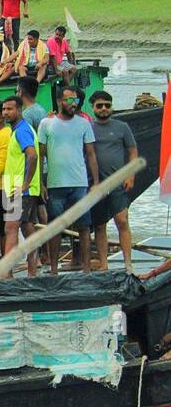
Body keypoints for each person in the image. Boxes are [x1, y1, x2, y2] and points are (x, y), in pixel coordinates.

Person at [38, 88, 99, 275]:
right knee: (55, 227)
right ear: (59, 101)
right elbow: (40, 155)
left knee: (84, 226)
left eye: (76, 100)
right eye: (69, 99)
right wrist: (40, 183)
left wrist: (95, 182)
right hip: (55, 184)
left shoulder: (83, 124)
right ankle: (54, 270)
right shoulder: (46, 124)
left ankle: (87, 269)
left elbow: (90, 154)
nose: (74, 103)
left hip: (79, 183)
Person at [89, 90, 138, 272]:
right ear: (92, 107)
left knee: (122, 221)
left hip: (118, 182)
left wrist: (130, 175)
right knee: (100, 225)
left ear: (111, 107)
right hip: (96, 183)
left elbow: (132, 151)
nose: (103, 109)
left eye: (107, 105)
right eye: (99, 105)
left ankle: (128, 263)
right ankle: (103, 264)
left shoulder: (122, 127)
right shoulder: (88, 128)